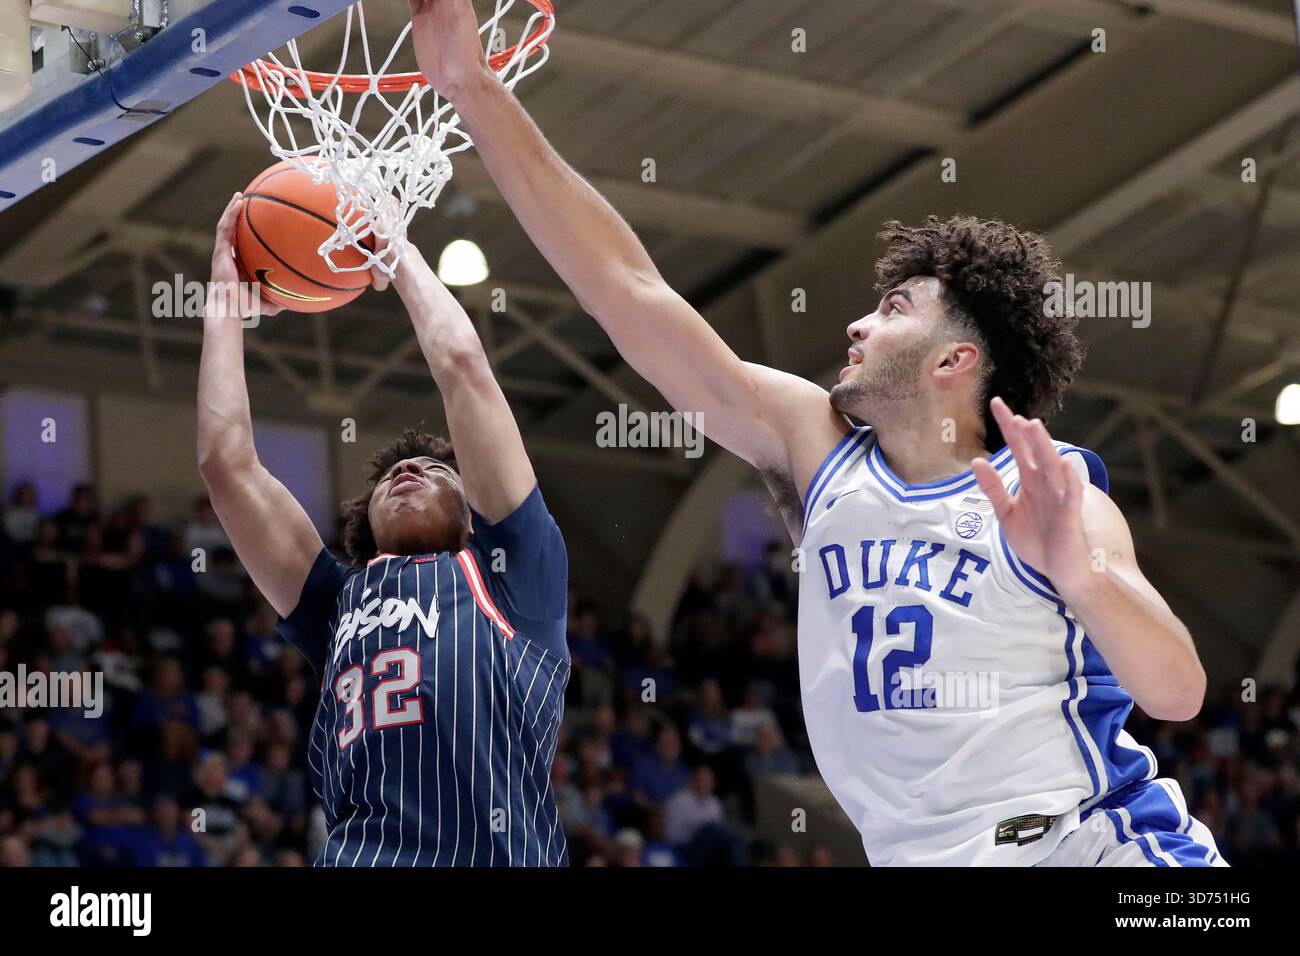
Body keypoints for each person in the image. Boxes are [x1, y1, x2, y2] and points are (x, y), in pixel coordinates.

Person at [407, 0, 1222, 867]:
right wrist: (469, 86)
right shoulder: (816, 445)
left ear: (955, 361)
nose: (860, 326)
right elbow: (629, 293)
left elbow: (1178, 691)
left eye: (893, 308)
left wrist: (1081, 578)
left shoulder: (1050, 493)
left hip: (1094, 850)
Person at [197, 194, 570, 866]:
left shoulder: (516, 572)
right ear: (363, 522)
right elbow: (227, 466)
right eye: (392, 474)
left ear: (473, 512)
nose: (406, 472)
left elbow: (462, 368)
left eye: (431, 468)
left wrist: (394, 249)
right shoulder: (337, 601)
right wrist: (223, 305)